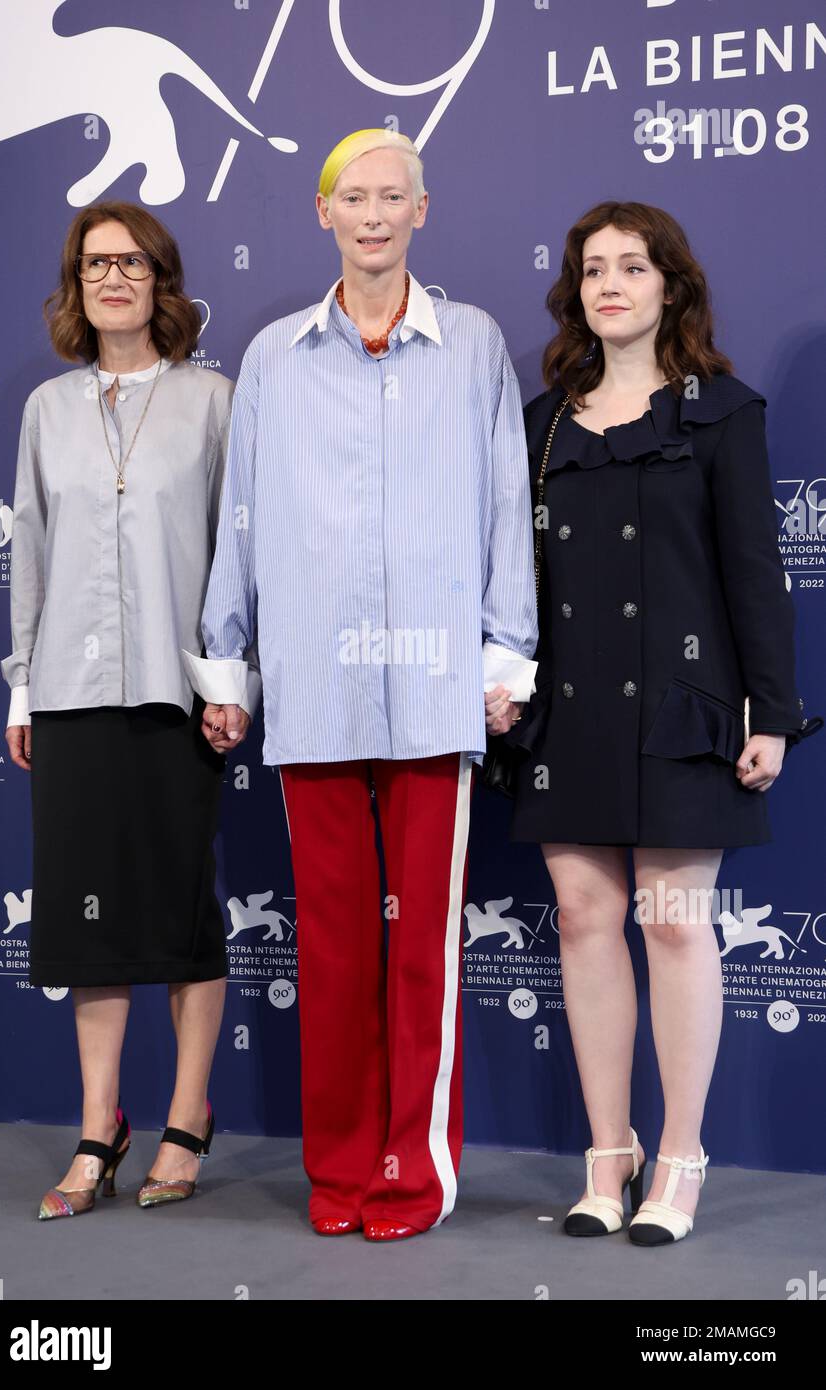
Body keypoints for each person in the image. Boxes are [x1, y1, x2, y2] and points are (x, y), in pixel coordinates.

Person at [182, 128, 538, 1241]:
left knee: (419, 949)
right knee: (334, 947)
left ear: (420, 213)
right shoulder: (275, 358)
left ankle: (411, 1173)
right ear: (322, 212)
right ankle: (338, 1173)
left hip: (435, 693)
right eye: (354, 197)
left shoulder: (474, 345)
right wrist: (226, 661)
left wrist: (501, 654)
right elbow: (239, 520)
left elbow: (500, 512)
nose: (373, 213)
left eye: (393, 196)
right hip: (318, 691)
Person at [495, 201, 822, 1245]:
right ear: (573, 292)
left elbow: (753, 575)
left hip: (685, 706)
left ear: (668, 286)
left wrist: (768, 710)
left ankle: (678, 1154)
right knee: (586, 923)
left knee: (674, 923)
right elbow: (514, 573)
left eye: (631, 266)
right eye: (591, 268)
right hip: (569, 707)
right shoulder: (540, 419)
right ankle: (608, 1153)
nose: (610, 284)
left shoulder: (721, 411)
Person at [2, 200, 260, 1220]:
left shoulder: (212, 401)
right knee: (84, 919)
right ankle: (97, 1126)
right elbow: (28, 549)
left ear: (163, 279)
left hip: (176, 689)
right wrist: (23, 682)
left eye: (133, 260)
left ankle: (186, 1116)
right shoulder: (45, 409)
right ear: (76, 281)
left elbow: (236, 553)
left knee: (181, 908)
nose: (114, 276)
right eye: (95, 261)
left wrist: (228, 677)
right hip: (67, 687)